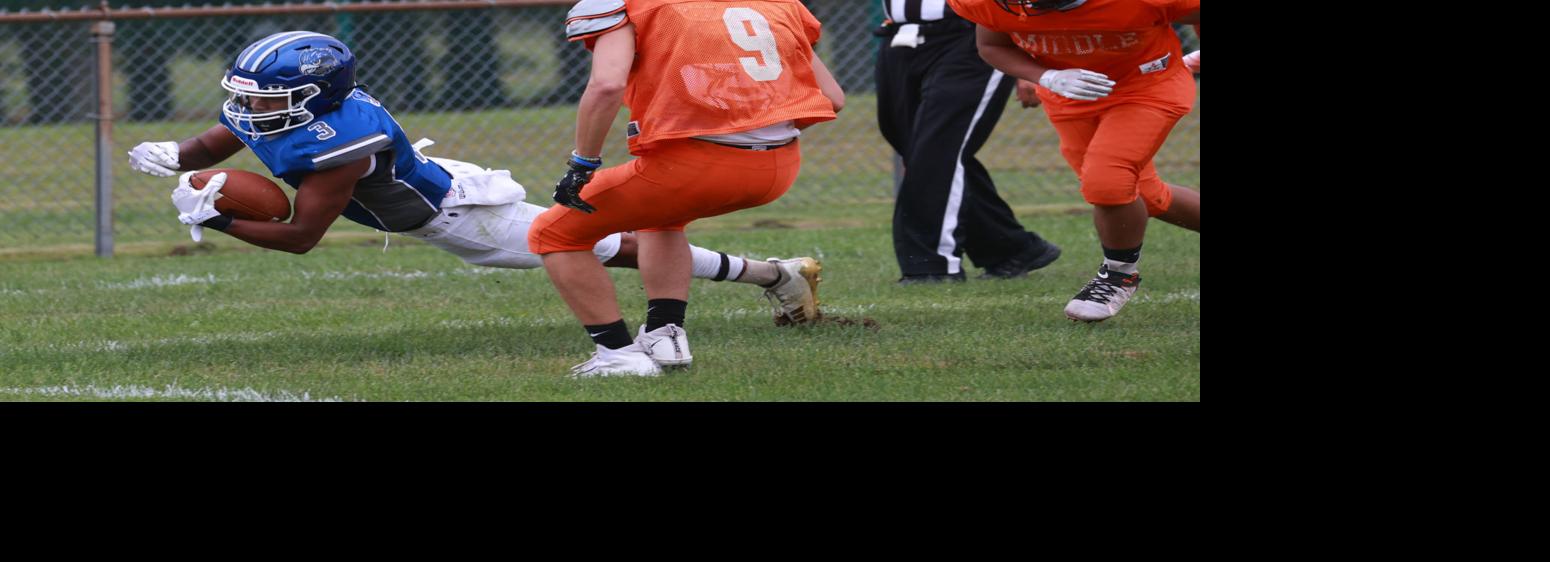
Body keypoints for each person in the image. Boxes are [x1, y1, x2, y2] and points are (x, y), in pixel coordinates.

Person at [125, 31, 822, 320]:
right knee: (607, 242)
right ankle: (773, 274)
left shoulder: (342, 143)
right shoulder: (281, 113)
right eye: (247, 94)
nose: (248, 107)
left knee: (604, 246)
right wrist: (176, 157)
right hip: (437, 184)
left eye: (263, 97)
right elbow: (220, 135)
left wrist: (216, 217)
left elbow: (305, 233)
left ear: (315, 97)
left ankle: (774, 274)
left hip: (459, 216)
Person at [528, 0, 846, 377]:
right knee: (660, 216)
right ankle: (666, 333)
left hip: (692, 168)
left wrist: (584, 162)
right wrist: (756, 138)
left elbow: (606, 85)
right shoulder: (777, 3)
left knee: (553, 233)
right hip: (778, 167)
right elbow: (833, 98)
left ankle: (617, 354)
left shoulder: (632, 5)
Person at [948, 0, 1200, 322]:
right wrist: (1046, 76)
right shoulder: (991, 3)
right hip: (1072, 97)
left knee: (1107, 182)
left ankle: (1118, 275)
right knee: (1143, 196)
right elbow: (991, 45)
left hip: (1146, 88)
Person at [875, 0, 1060, 284]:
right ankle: (1011, 248)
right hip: (898, 37)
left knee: (938, 149)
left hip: (971, 37)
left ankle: (932, 266)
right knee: (917, 146)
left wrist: (1031, 59)